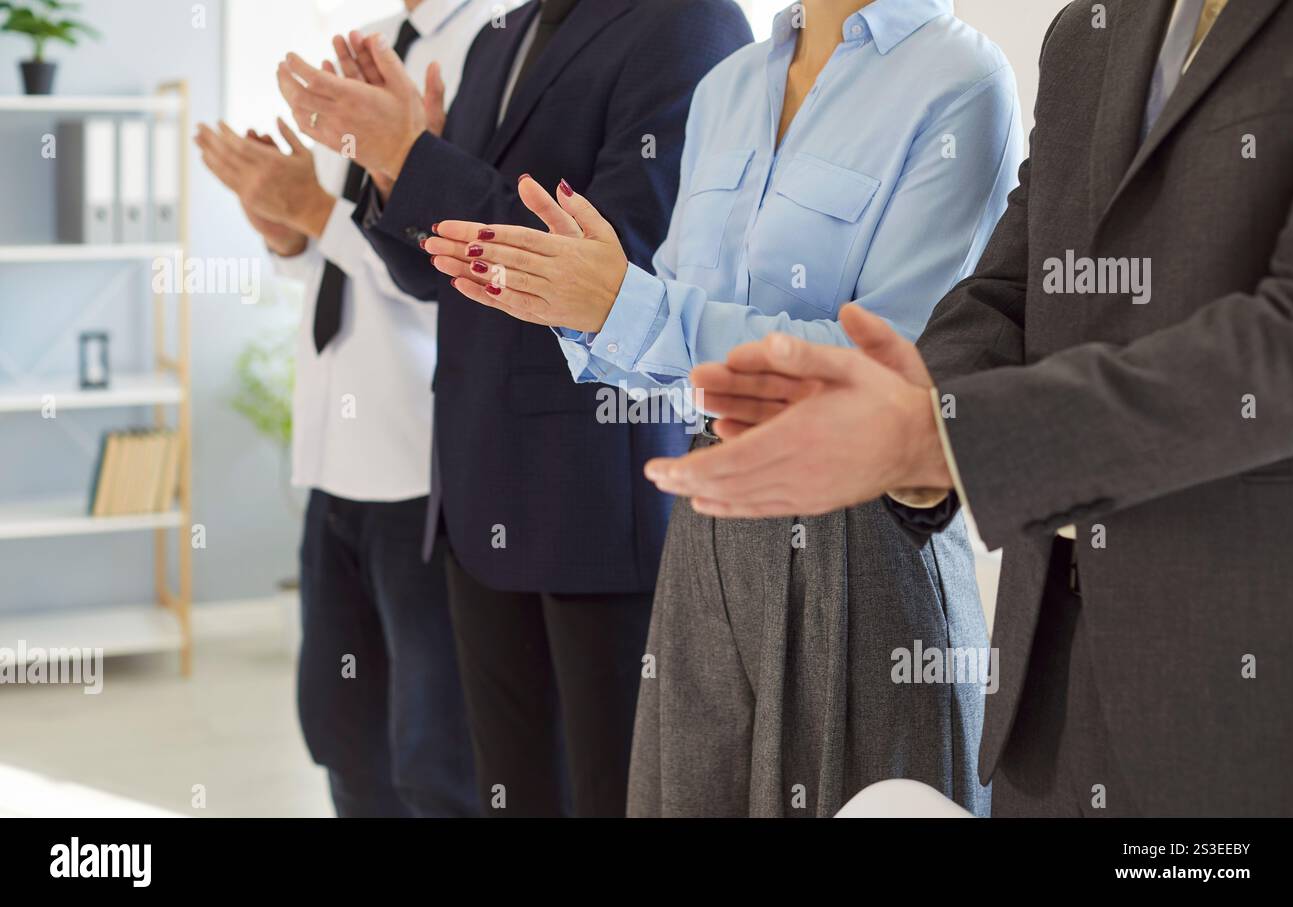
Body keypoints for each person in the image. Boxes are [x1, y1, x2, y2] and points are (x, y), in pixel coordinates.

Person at [638, 0, 1293, 817]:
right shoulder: (1089, 30)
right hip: (1050, 697)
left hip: (1255, 697)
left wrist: (942, 436)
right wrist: (913, 412)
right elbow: (1008, 289)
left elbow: (1283, 345)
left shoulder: (960, 74)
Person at [426, 0, 1022, 816]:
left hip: (870, 531)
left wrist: (628, 307)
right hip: (704, 524)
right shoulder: (729, 85)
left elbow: (901, 371)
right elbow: (663, 351)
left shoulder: (962, 80)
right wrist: (583, 302)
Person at [273, 0, 753, 816]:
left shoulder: (691, 21)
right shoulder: (510, 29)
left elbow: (624, 271)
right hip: (474, 493)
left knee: (611, 793)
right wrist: (398, 167)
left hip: (597, 501)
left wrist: (409, 153)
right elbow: (436, 274)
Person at [194, 0, 498, 817]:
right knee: (341, 736)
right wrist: (287, 231)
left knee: (435, 761)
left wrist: (317, 214)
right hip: (334, 465)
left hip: (422, 469)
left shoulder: (495, 43)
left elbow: (455, 275)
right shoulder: (363, 46)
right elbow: (338, 260)